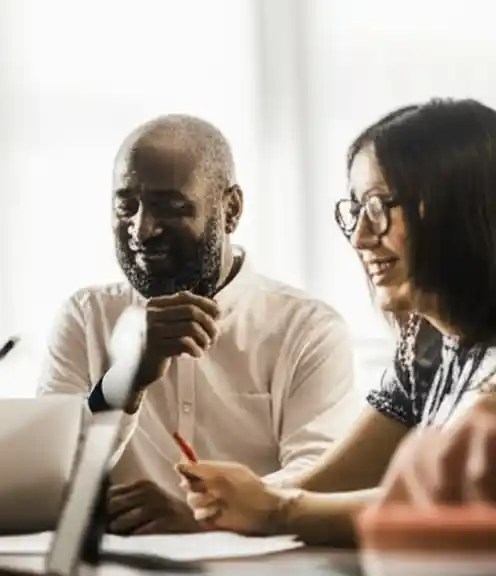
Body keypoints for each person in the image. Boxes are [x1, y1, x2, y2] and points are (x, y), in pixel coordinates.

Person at [180, 99, 496, 544]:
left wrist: (275, 510)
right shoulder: (425, 347)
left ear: (458, 208)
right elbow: (333, 482)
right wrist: (224, 504)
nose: (361, 237)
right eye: (356, 210)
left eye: (378, 207)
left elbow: (444, 509)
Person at [39, 114, 358, 535]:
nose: (142, 229)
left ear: (231, 210)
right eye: (125, 206)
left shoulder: (308, 330)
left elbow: (321, 478)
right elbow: (47, 475)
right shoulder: (85, 318)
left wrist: (204, 517)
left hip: (256, 570)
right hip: (115, 567)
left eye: (170, 207)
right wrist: (125, 380)